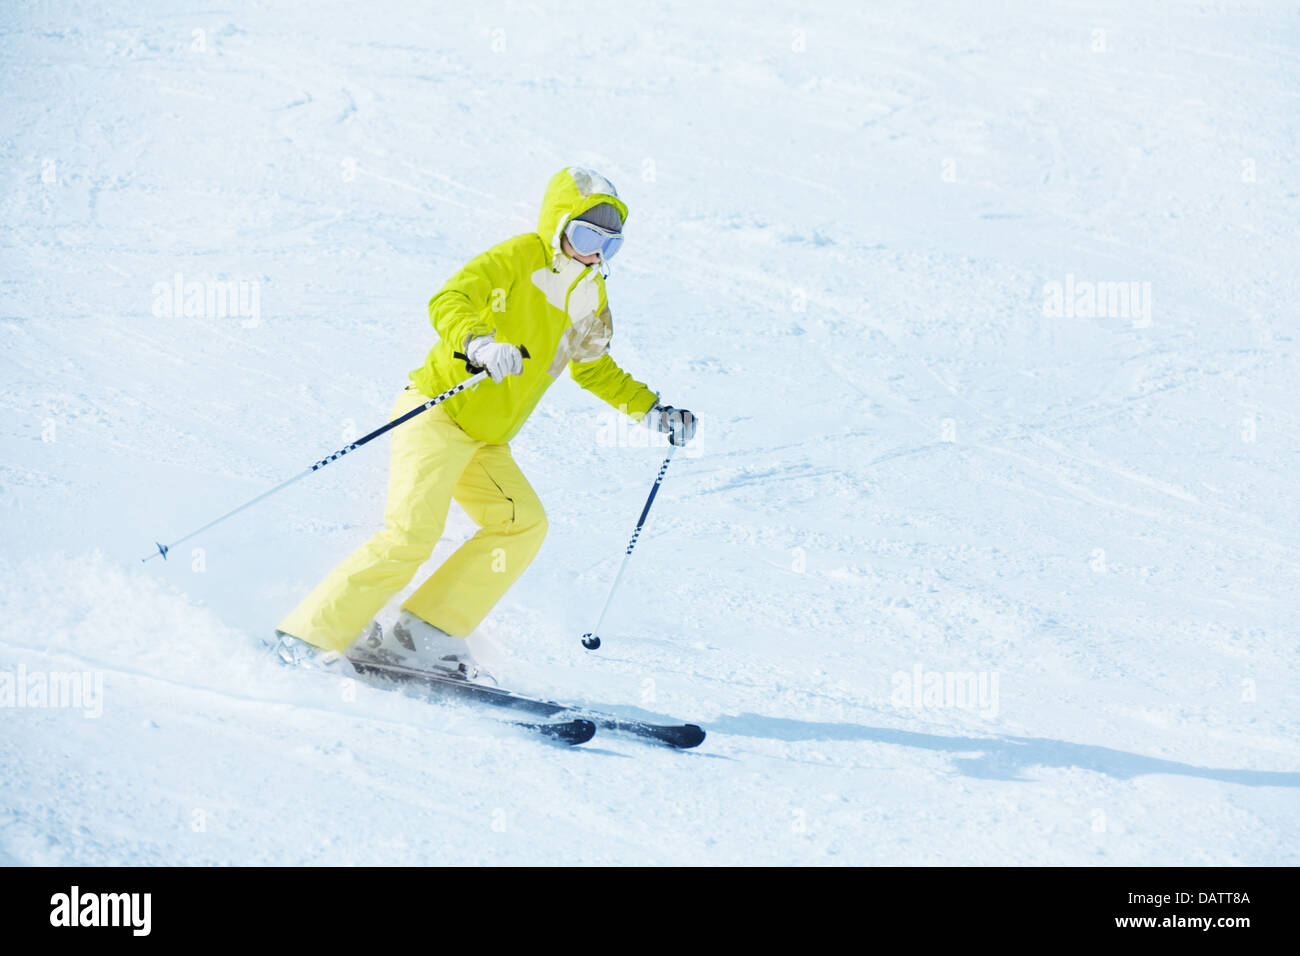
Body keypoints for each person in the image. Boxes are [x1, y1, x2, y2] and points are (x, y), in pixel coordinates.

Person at [274, 167, 696, 678]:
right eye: (587, 236)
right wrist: (478, 344)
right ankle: (304, 638)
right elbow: (450, 299)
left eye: (611, 247)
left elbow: (594, 368)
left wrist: (652, 412)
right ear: (559, 224)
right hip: (436, 411)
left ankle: (419, 636)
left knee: (522, 523)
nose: (595, 254)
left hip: (487, 441)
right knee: (410, 536)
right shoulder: (519, 256)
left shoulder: (590, 294)